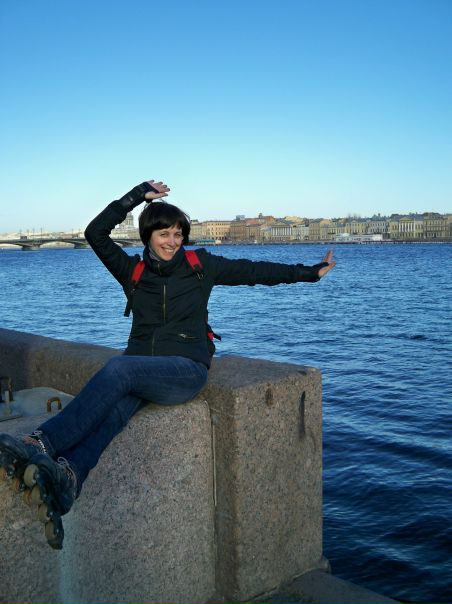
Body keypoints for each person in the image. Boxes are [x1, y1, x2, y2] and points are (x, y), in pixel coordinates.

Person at [0, 180, 336, 549]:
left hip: (185, 370)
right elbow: (95, 233)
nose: (173, 241)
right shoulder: (132, 271)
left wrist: (309, 272)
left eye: (178, 234)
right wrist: (134, 196)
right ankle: (68, 477)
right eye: (164, 233)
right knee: (115, 412)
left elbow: (254, 271)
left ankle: (42, 442)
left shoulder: (200, 266)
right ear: (147, 235)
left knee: (119, 369)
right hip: (143, 371)